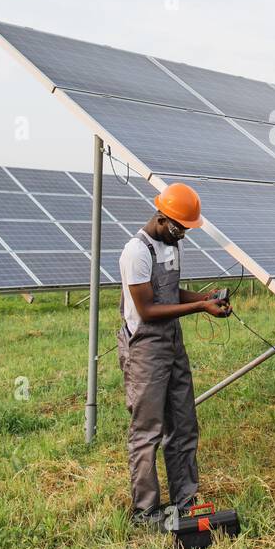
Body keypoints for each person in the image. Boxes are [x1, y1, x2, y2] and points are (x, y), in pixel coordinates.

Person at [117, 182, 230, 528]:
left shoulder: (171, 244)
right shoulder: (136, 252)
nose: (183, 236)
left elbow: (171, 291)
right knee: (148, 430)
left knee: (183, 422)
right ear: (162, 219)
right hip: (146, 348)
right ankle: (146, 510)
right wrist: (200, 308)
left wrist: (203, 296)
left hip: (172, 342)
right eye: (180, 229)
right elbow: (149, 308)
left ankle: (186, 498)